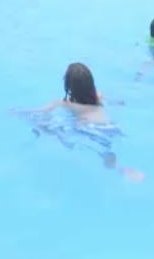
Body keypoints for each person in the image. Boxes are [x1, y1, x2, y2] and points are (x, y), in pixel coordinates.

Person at [15, 63, 144, 182]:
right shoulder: (98, 96)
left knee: (43, 125)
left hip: (91, 128)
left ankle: (120, 168)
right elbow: (117, 102)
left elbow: (39, 112)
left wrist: (17, 112)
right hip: (110, 126)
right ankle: (121, 169)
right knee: (107, 153)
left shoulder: (64, 104)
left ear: (69, 87)